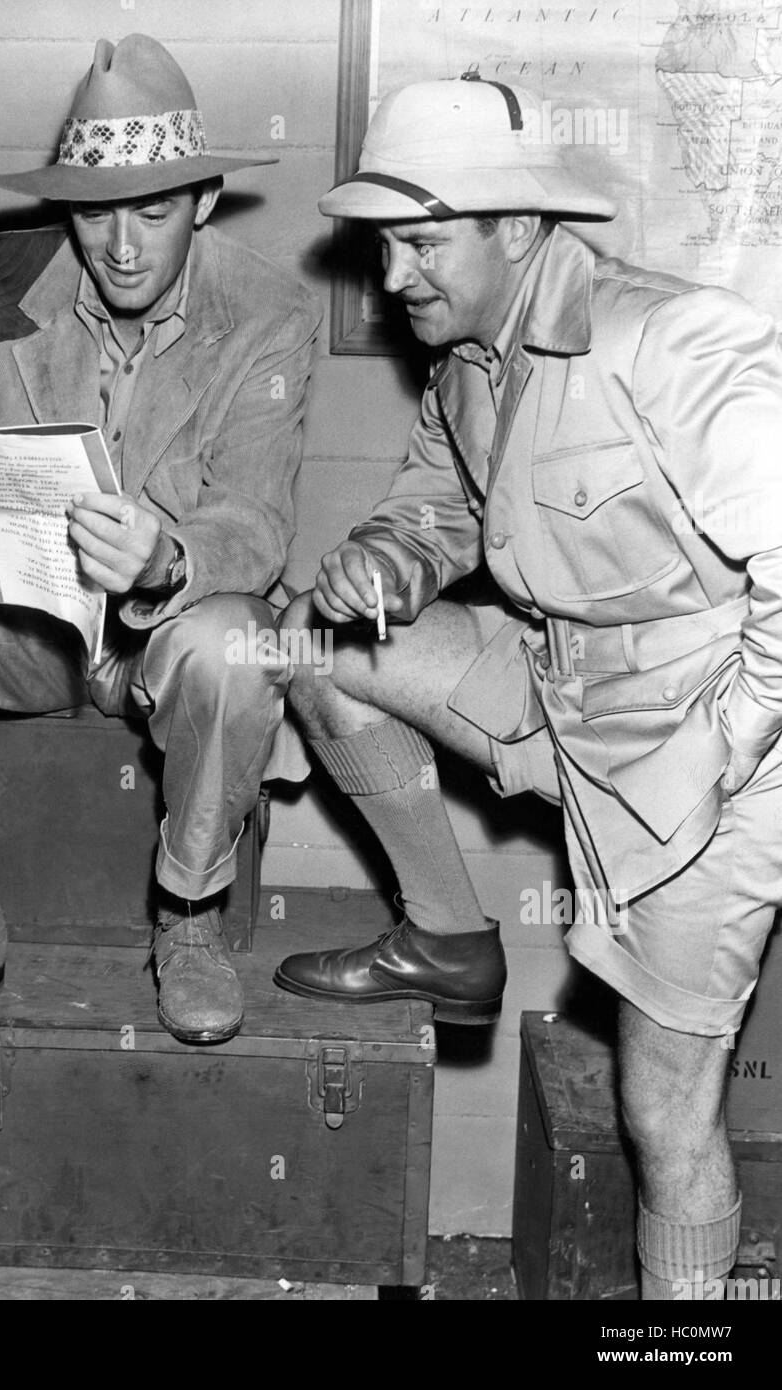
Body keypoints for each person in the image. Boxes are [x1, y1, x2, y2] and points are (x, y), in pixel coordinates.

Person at [275, 72, 782, 1299]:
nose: (394, 277)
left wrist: (730, 735)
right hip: (565, 697)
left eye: (422, 243)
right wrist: (389, 559)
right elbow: (441, 504)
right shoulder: (465, 354)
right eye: (384, 245)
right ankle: (450, 942)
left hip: (713, 747)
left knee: (661, 1106)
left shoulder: (663, 339)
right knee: (310, 647)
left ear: (515, 229)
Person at [0, 34, 321, 1050]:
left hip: (159, 636)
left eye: (154, 210)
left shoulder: (270, 310)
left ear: (206, 201)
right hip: (20, 626)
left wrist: (167, 557)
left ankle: (187, 919)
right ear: (66, 210)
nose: (123, 246)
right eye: (96, 213)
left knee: (237, 644)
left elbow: (257, 523)